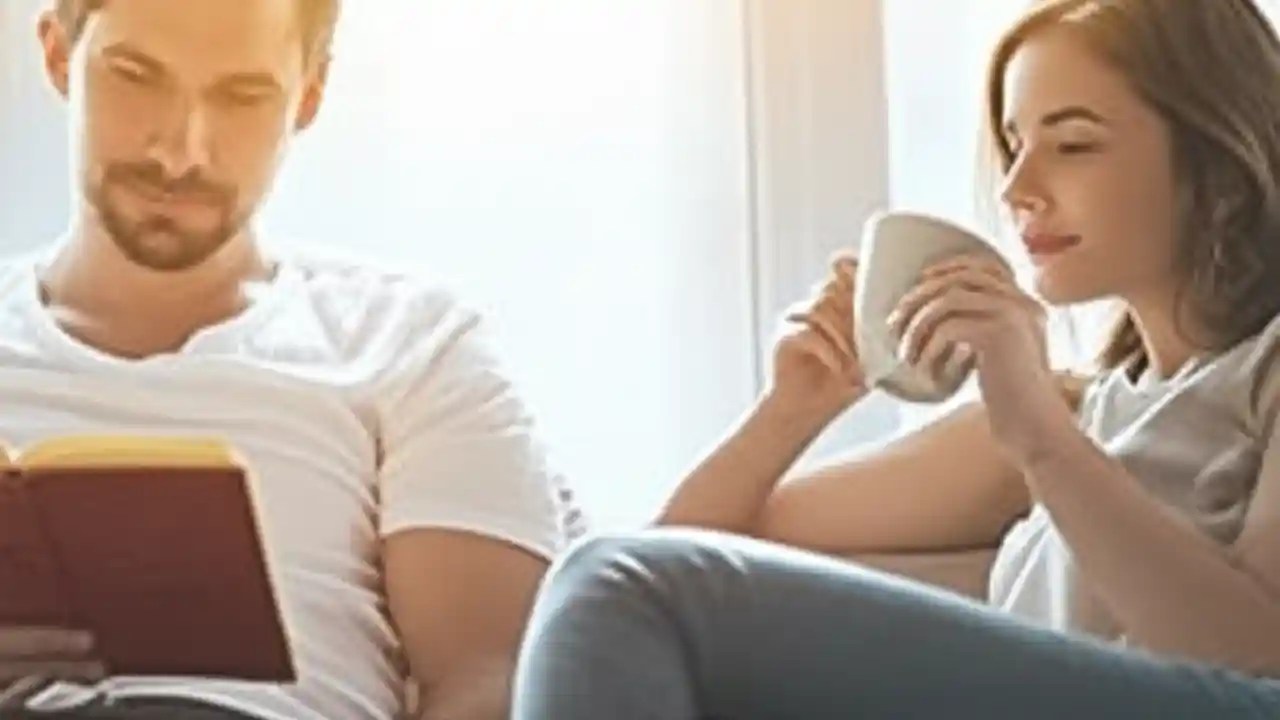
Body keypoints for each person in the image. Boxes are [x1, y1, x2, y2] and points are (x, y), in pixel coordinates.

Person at [512, 0, 1280, 717]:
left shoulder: (1088, 419)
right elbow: (675, 554)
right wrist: (793, 410)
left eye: (1073, 144)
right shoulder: (1070, 413)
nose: (1017, 187)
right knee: (606, 576)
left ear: (1218, 167)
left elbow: (1259, 661)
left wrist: (1040, 437)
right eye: (1015, 146)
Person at [0, 1, 582, 718]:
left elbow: (487, 676)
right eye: (135, 77)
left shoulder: (410, 339)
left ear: (308, 95)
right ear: (59, 56)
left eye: (242, 97)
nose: (181, 152)